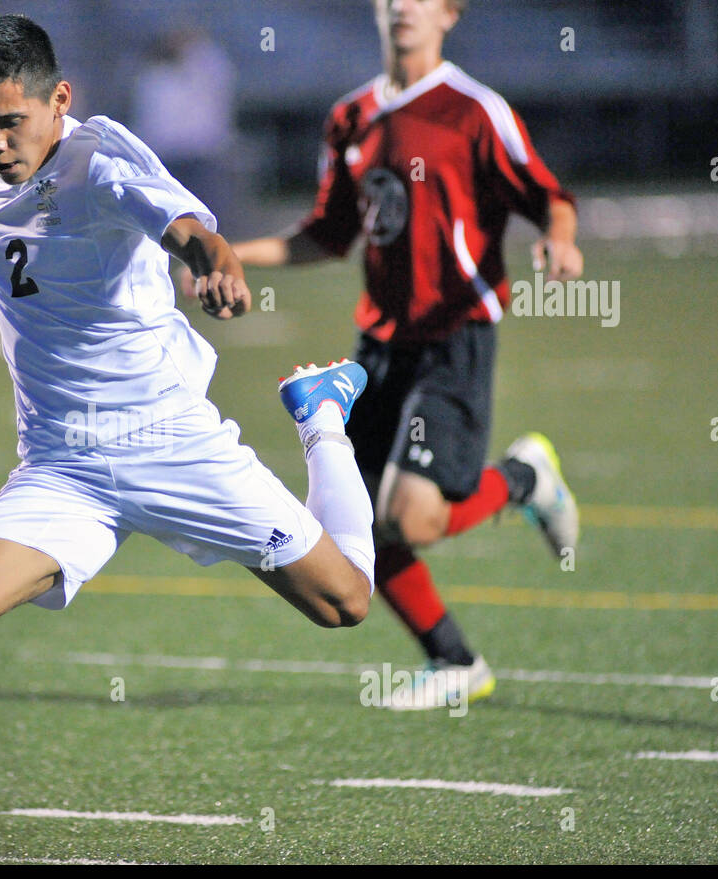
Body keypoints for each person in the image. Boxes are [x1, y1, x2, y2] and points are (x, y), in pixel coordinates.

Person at [0, 13, 376, 863]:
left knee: (344, 600)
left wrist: (212, 256)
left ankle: (320, 417)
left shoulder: (98, 162)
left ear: (61, 101)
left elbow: (181, 222)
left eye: (12, 122)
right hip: (62, 468)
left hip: (170, 443)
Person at [225, 0, 582, 707]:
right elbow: (326, 235)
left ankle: (524, 479)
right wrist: (226, 254)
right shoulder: (350, 118)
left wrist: (560, 238)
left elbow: (549, 197)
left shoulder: (476, 110)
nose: (403, 8)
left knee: (412, 516)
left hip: (454, 336)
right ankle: (455, 661)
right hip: (378, 347)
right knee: (351, 519)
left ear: (451, 12)